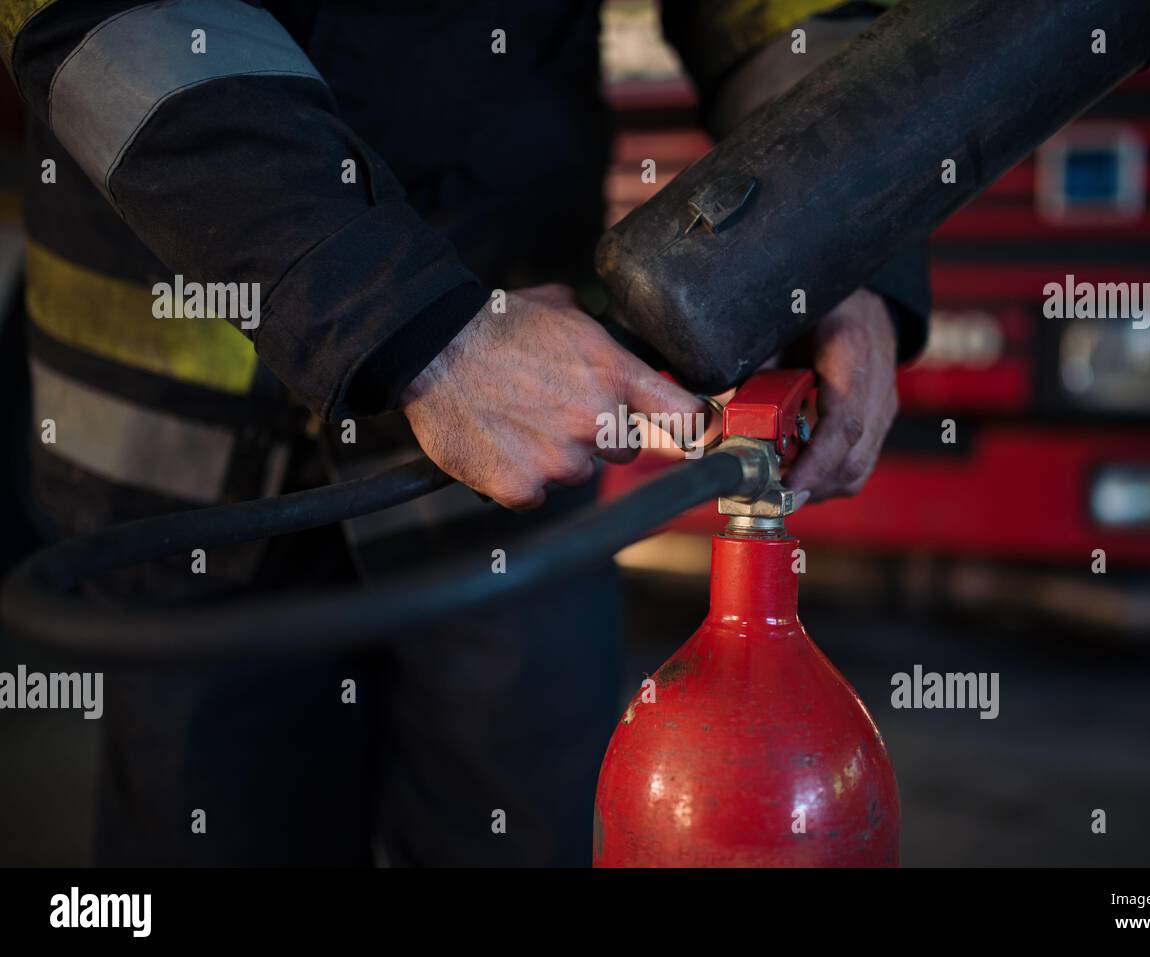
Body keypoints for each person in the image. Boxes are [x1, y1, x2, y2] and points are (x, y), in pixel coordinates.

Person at [3, 0, 929, 865]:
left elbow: (778, 15)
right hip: (188, 472)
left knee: (523, 823)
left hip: (519, 444)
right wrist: (414, 328)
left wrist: (837, 232)